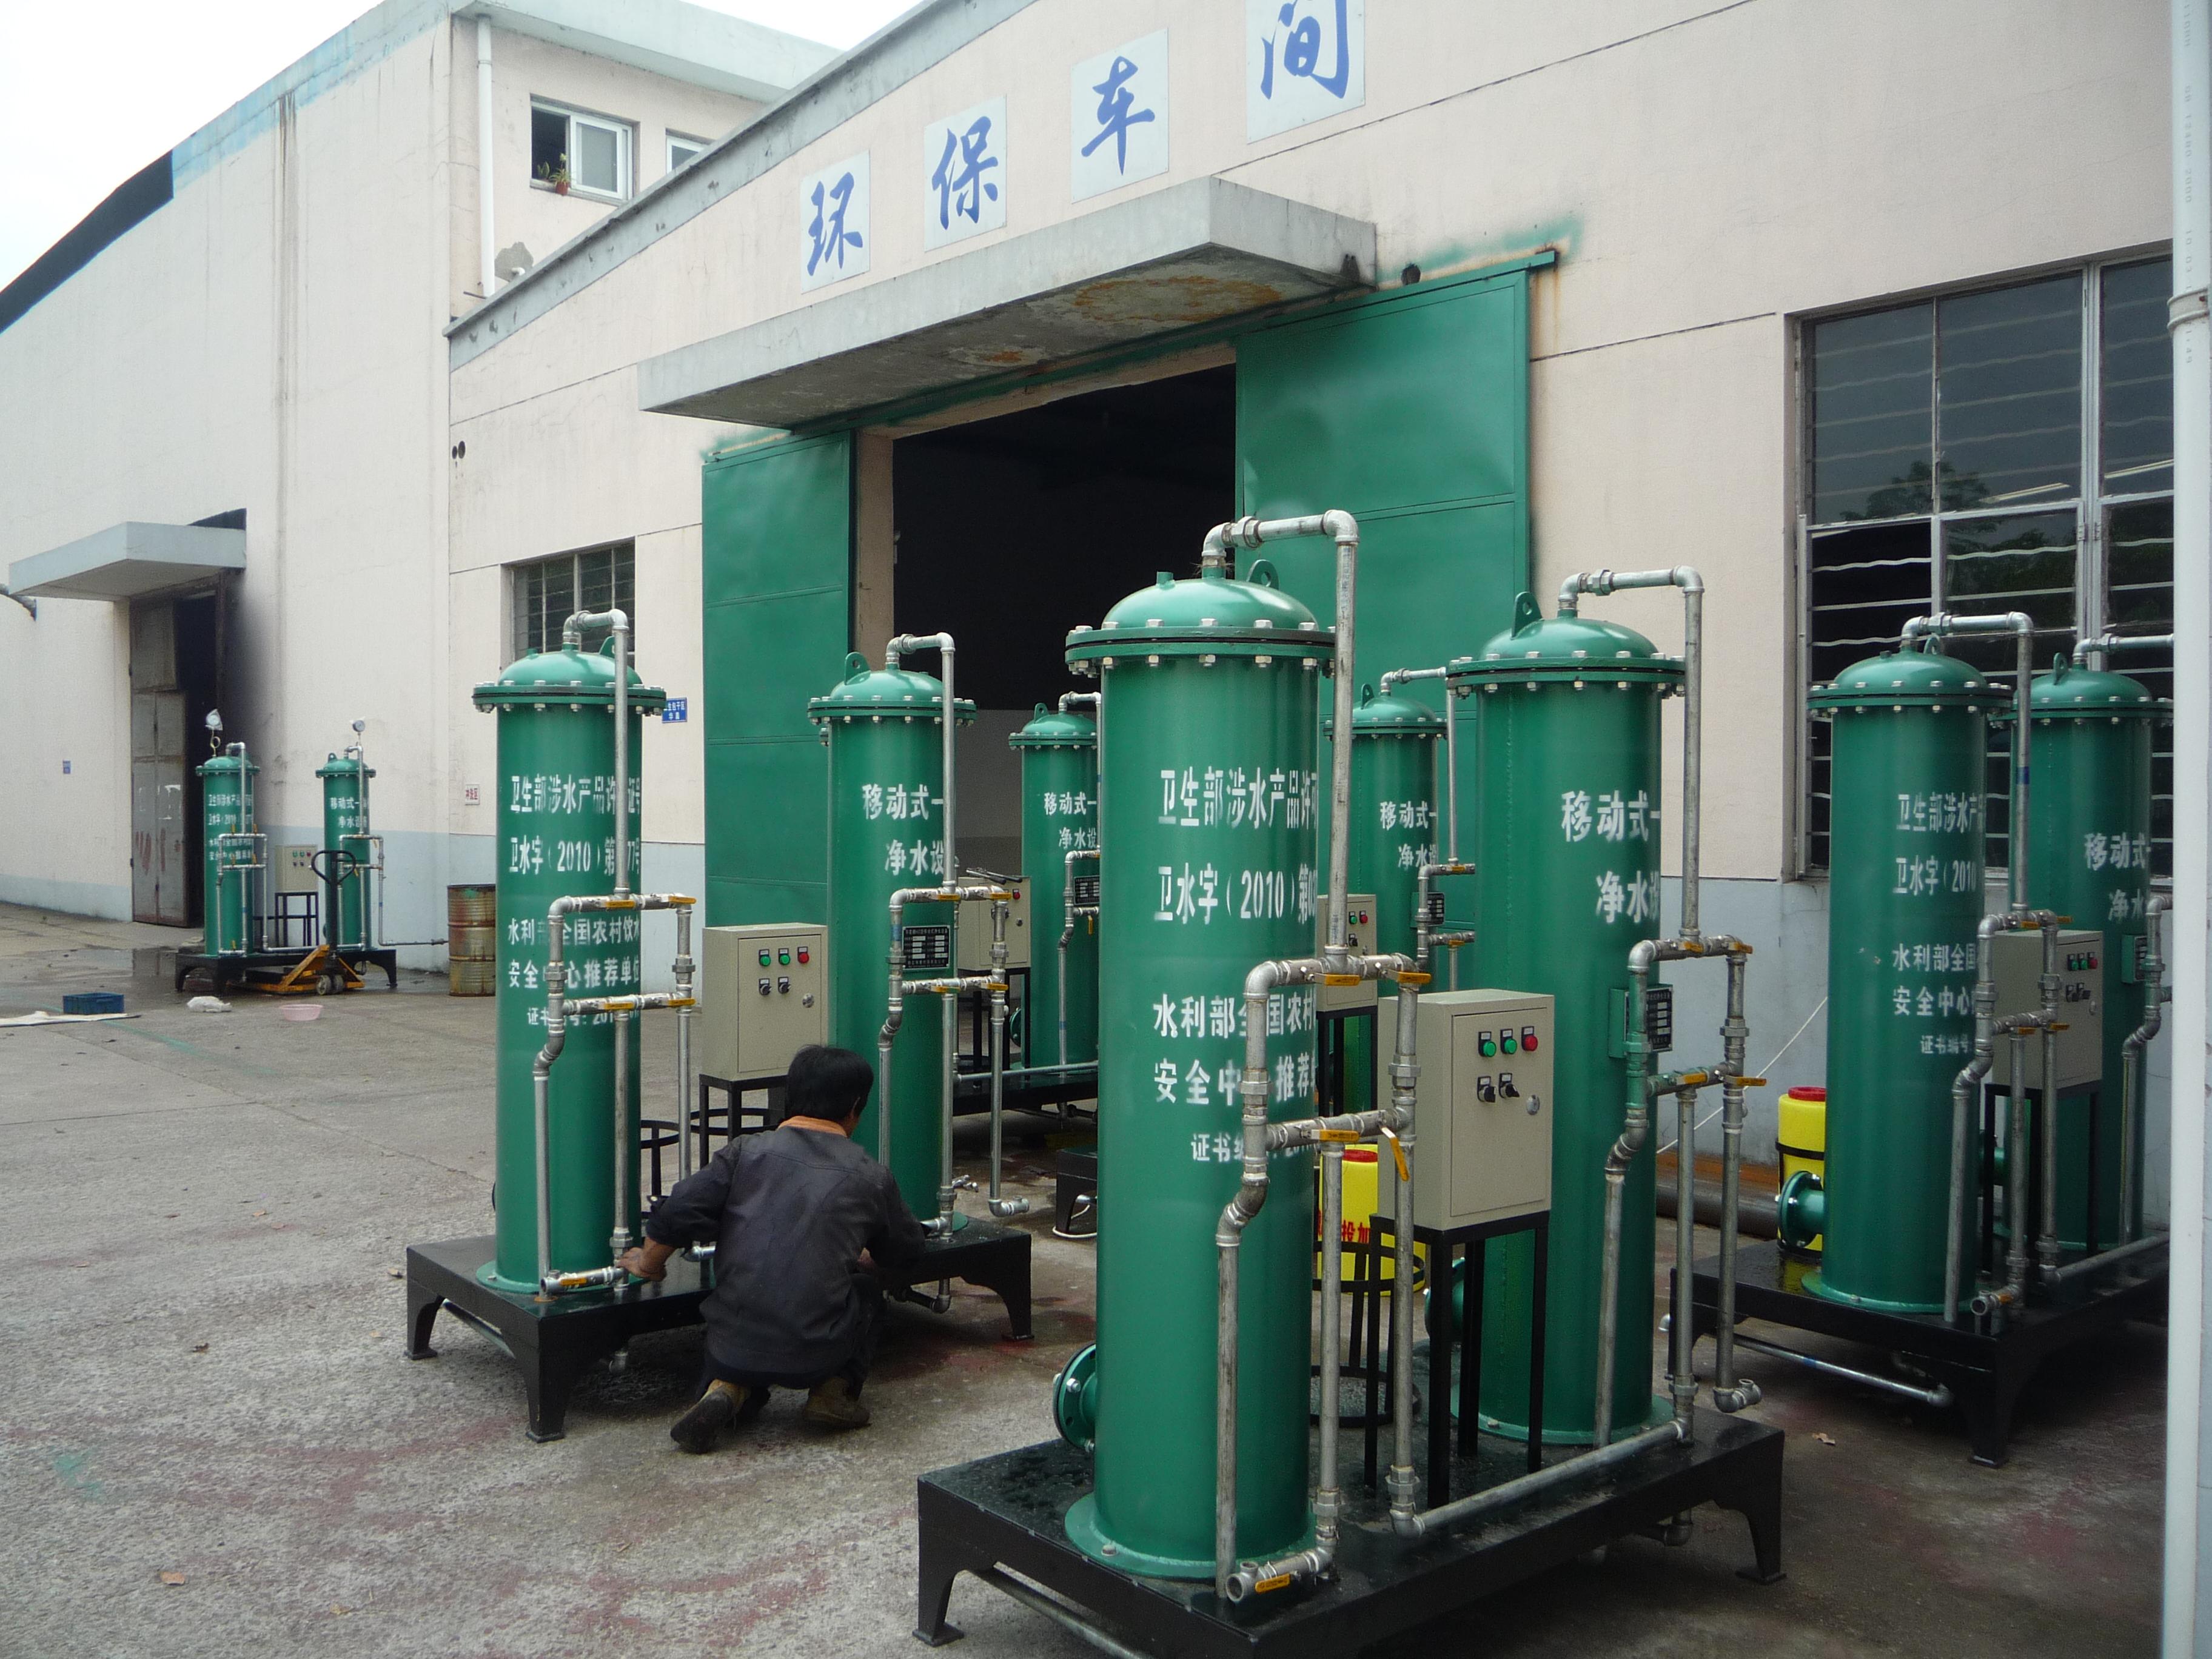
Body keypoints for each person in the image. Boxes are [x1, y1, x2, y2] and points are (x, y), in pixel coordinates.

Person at [616, 1044, 925, 1452]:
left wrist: (649, 1263)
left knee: (740, 1306)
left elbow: (679, 1210)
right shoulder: (870, 1176)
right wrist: (865, 1256)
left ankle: (726, 1388)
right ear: (856, 1108)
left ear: (790, 1096)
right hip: (817, 1353)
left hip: (729, 1347)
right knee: (865, 1291)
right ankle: (833, 1391)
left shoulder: (745, 1152)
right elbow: (906, 1252)